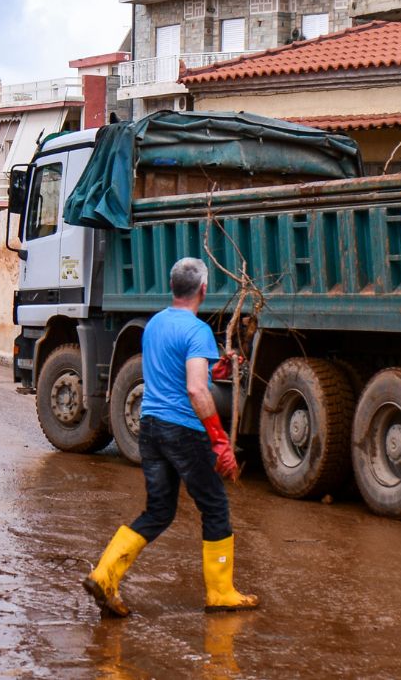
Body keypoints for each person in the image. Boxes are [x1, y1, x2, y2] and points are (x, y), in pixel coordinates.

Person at [83, 257, 257, 617]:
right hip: (183, 431)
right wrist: (220, 440)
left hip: (150, 428)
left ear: (172, 286)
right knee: (214, 505)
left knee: (159, 510)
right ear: (203, 290)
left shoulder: (154, 325)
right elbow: (195, 390)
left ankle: (105, 573)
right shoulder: (197, 331)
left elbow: (173, 372)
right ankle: (221, 592)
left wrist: (213, 367)